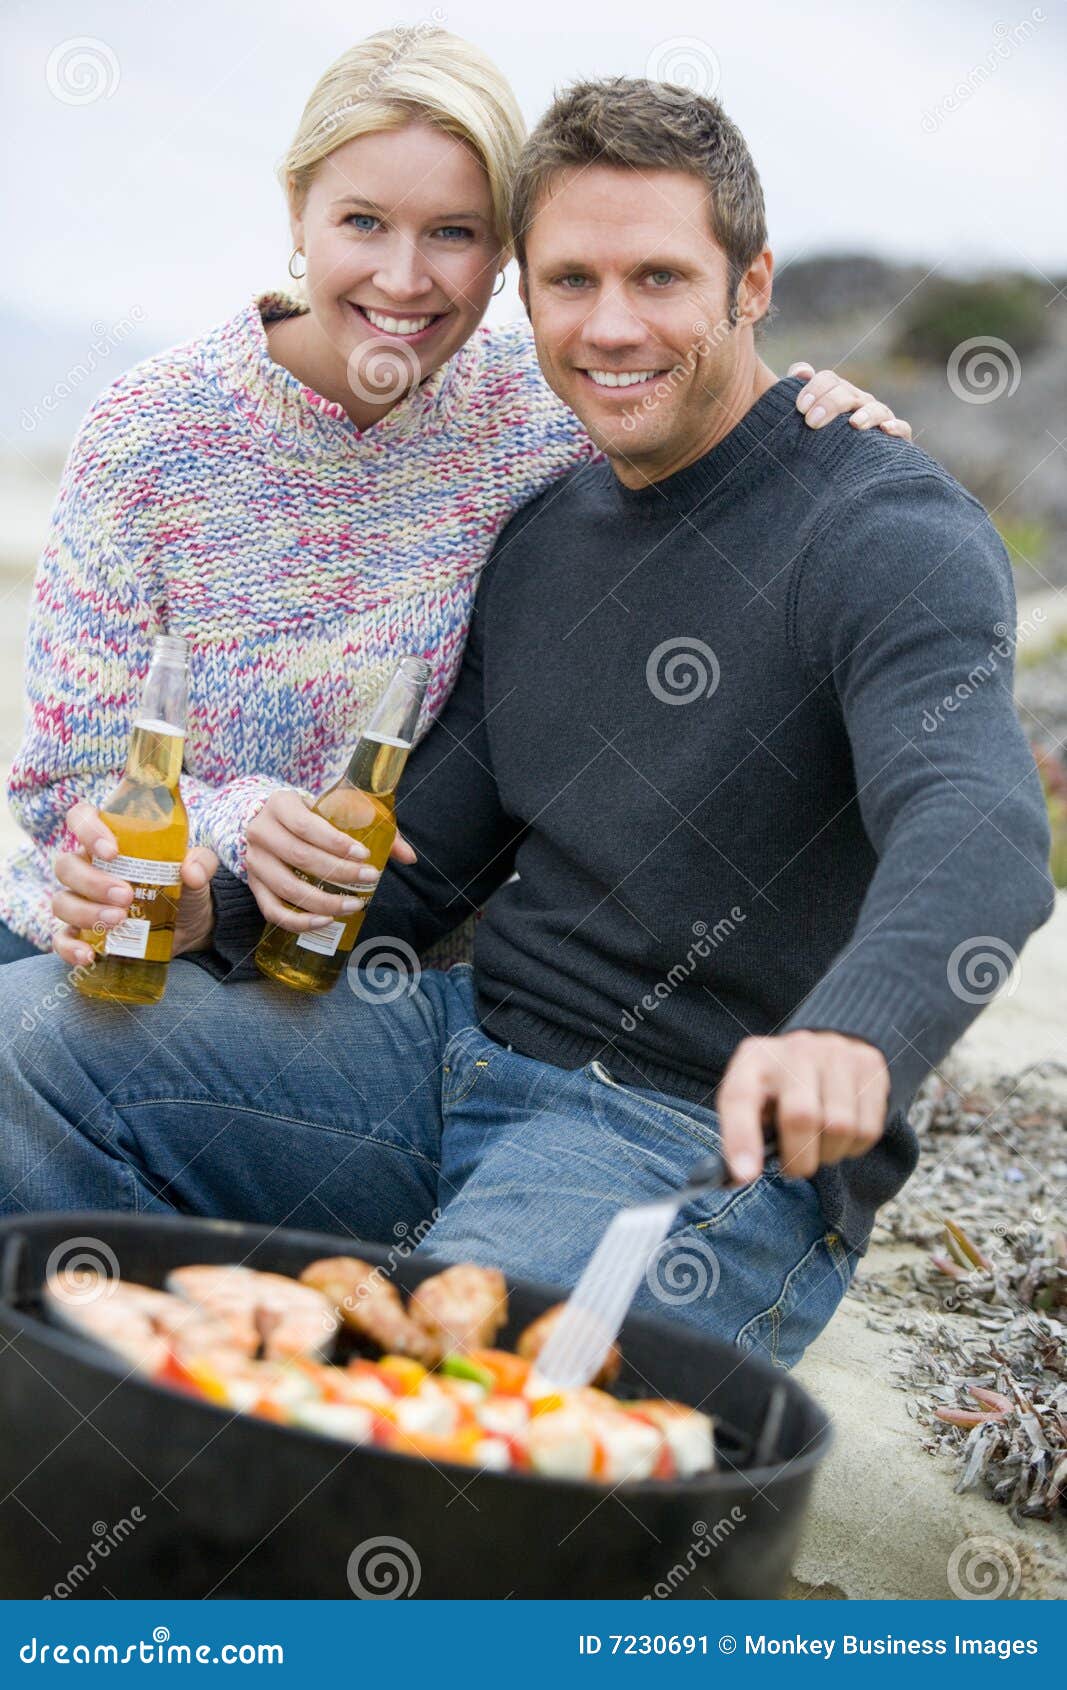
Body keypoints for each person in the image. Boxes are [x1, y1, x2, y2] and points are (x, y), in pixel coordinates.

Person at [1, 79, 1010, 1372]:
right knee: (33, 1040)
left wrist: (854, 1032)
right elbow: (425, 860)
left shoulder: (886, 534)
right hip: (446, 1048)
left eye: (657, 278)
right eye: (569, 280)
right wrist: (218, 912)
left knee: (436, 1394)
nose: (608, 326)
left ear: (749, 284)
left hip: (680, 1130)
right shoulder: (547, 527)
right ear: (522, 298)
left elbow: (974, 812)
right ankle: (149, 1415)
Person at [0, 29, 901, 970]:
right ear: (296, 214)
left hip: (387, 957)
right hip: (124, 927)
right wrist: (236, 824)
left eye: (453, 233)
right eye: (361, 222)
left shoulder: (547, 405)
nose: (403, 277)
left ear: (505, 253)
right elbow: (68, 777)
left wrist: (810, 425)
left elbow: (699, 423)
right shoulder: (149, 435)